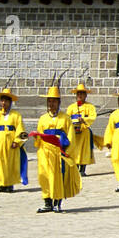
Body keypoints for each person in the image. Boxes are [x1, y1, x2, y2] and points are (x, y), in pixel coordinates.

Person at [34, 85, 81, 213]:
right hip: (45, 152)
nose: (51, 104)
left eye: (54, 101)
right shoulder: (43, 118)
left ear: (59, 102)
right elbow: (39, 136)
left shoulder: (65, 118)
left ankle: (57, 202)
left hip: (58, 152)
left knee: (58, 177)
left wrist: (66, 152)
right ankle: (47, 202)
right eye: (49, 101)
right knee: (44, 176)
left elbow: (70, 136)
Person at [0, 86, 27, 193]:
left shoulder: (16, 115)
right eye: (2, 100)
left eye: (6, 101)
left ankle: (9, 184)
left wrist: (17, 141)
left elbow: (21, 130)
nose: (4, 103)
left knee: (10, 163)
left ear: (10, 102)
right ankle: (1, 184)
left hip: (11, 142)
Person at [65, 83, 99, 177]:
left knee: (83, 150)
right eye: (78, 93)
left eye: (82, 94)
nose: (80, 95)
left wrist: (84, 119)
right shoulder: (71, 107)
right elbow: (67, 118)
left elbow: (92, 117)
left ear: (85, 95)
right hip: (74, 132)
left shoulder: (90, 107)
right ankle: (75, 168)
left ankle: (82, 169)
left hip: (84, 132)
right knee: (74, 150)